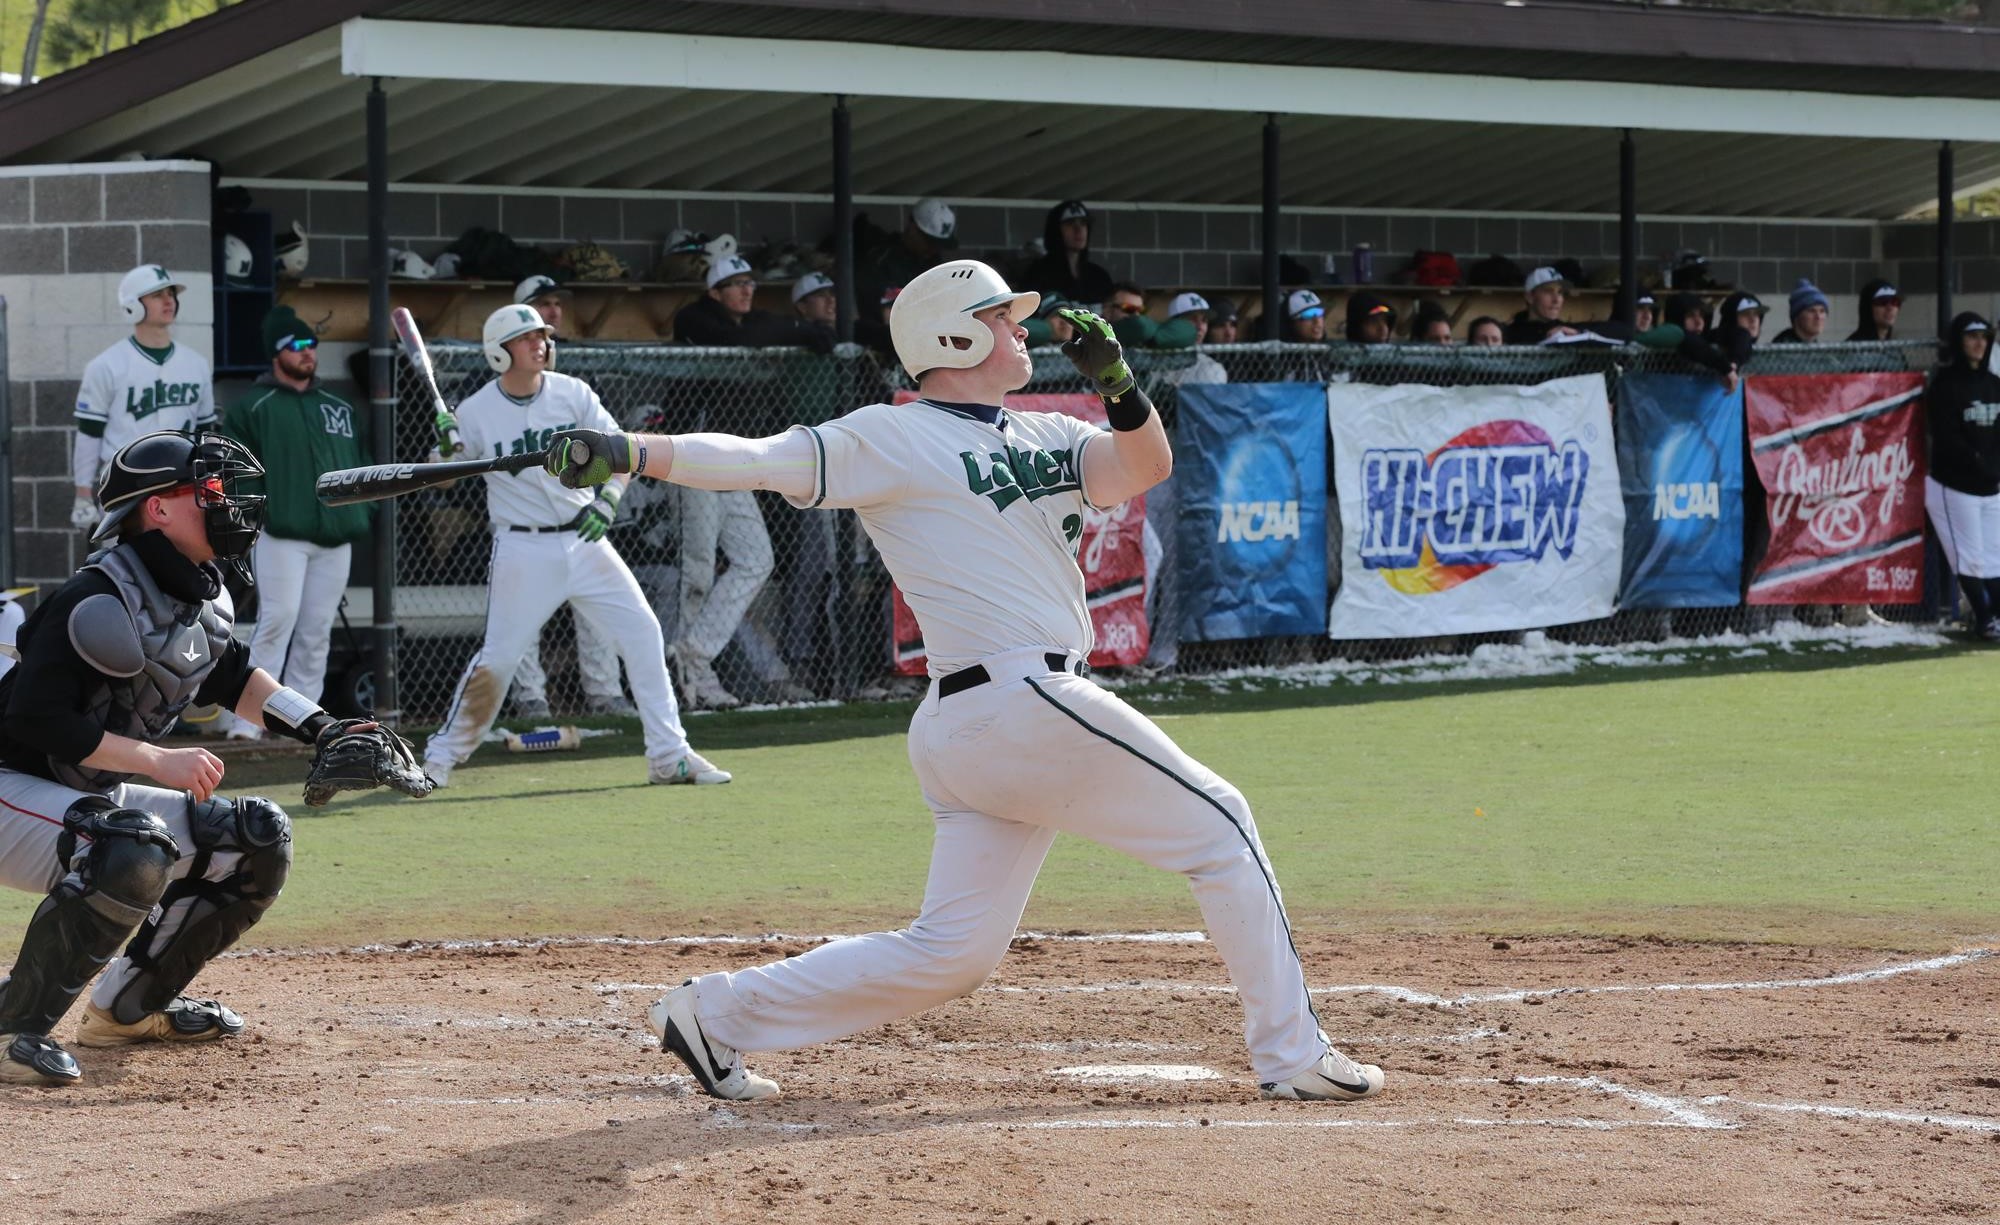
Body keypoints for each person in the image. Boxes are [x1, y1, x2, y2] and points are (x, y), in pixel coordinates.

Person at [541, 258, 1386, 1106]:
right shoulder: (893, 434)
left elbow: (1144, 466)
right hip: (1018, 701)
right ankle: (1292, 1051)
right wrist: (628, 451)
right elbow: (760, 458)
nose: (1021, 329)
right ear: (952, 333)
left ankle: (715, 1012)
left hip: (984, 726)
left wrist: (1121, 383)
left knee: (952, 953)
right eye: (1000, 316)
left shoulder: (1048, 433)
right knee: (1223, 826)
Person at [0, 431, 429, 1084]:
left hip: (79, 800)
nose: (226, 502)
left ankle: (127, 1009)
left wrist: (325, 728)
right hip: (11, 787)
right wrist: (153, 759)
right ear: (159, 508)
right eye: (208, 490)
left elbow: (236, 681)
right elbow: (32, 717)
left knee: (255, 837)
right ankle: (12, 1029)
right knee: (132, 846)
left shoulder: (195, 595)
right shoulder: (96, 596)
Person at [420, 305, 728, 787]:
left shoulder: (573, 393)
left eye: (542, 335)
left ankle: (670, 755)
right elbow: (441, 478)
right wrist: (443, 450)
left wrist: (606, 500)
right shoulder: (477, 411)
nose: (540, 344)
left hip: (585, 541)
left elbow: (620, 452)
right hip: (523, 549)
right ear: (501, 353)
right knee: (498, 659)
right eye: (526, 338)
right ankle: (437, 760)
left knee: (643, 633)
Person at [213, 308, 373, 740]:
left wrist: (362, 513)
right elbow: (238, 475)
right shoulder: (254, 406)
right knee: (277, 620)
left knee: (316, 629)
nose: (307, 353)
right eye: (296, 346)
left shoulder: (338, 406)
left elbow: (359, 467)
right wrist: (248, 524)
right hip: (281, 533)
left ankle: (303, 722)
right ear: (276, 354)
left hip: (335, 536)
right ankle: (246, 721)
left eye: (311, 345)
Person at [505, 277, 634, 719]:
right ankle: (530, 698)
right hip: (521, 525)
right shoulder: (486, 388)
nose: (554, 312)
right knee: (521, 619)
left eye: (557, 305)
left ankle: (604, 693)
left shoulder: (577, 382)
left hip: (578, 515)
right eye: (543, 305)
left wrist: (609, 499)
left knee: (598, 611)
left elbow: (621, 449)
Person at [71, 266, 217, 533]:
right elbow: (89, 434)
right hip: (126, 486)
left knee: (183, 568)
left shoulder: (196, 364)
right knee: (126, 568)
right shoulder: (105, 365)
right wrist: (82, 492)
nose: (168, 300)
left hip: (182, 483)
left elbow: (207, 433)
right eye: (156, 295)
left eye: (171, 293)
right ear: (132, 305)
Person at [1923, 312, 2000, 640]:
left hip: (1991, 487)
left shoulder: (1995, 384)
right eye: (1971, 336)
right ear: (1959, 341)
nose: (1979, 343)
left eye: (1983, 336)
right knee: (1971, 560)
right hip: (1954, 486)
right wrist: (1981, 463)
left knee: (1995, 559)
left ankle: (1993, 616)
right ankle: (1984, 620)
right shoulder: (1945, 385)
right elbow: (1947, 437)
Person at [672, 255, 830, 351]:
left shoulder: (752, 316)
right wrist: (794, 333)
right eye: (739, 284)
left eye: (750, 284)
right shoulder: (692, 316)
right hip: (701, 402)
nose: (747, 292)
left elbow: (782, 324)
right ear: (715, 293)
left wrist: (810, 330)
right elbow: (736, 339)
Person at [859, 199, 956, 304]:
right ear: (912, 228)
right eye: (929, 241)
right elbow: (887, 314)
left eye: (938, 245)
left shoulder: (933, 262)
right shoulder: (884, 259)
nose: (933, 249)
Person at [1022, 199, 1115, 306]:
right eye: (1070, 223)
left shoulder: (1099, 277)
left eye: (1083, 223)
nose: (1079, 229)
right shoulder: (1038, 274)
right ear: (1056, 230)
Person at [1502, 267, 1579, 344]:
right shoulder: (1508, 334)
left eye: (1560, 292)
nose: (1556, 300)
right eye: (1548, 291)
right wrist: (1547, 340)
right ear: (1530, 297)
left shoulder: (1567, 330)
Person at [1772, 279, 1830, 344]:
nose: (1818, 317)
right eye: (1811, 311)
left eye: (1822, 311)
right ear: (1797, 316)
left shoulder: (1815, 346)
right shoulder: (1782, 347)